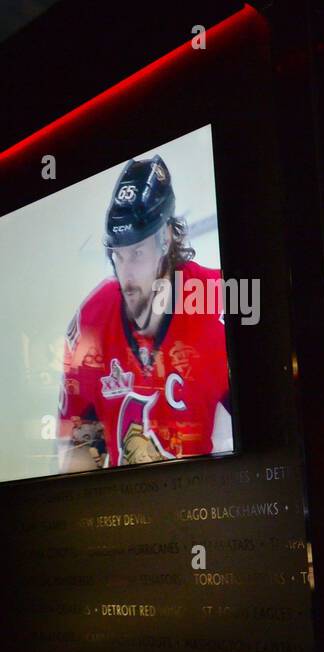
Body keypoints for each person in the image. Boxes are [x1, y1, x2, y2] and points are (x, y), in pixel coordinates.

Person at [58, 155, 231, 471]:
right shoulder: (91, 321)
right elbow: (79, 454)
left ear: (164, 239)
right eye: (118, 256)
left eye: (137, 252)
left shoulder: (220, 298)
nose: (127, 274)